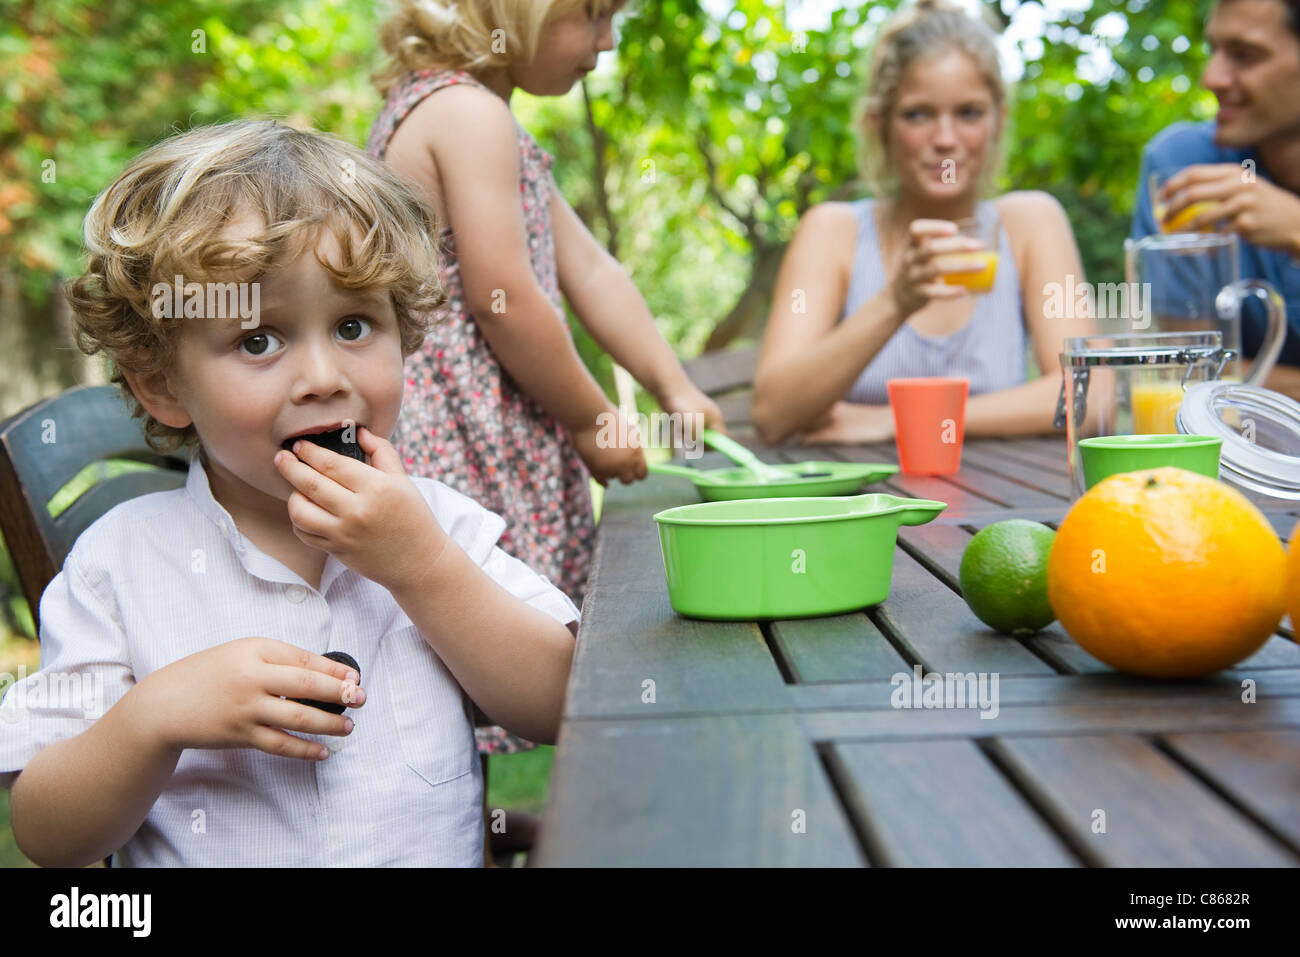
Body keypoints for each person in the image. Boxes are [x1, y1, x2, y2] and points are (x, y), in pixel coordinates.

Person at [0, 120, 580, 867]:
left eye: (353, 324)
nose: (323, 377)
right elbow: (47, 835)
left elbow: (561, 702)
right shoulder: (120, 565)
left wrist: (422, 567)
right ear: (162, 384)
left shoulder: (435, 527)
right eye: (258, 340)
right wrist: (152, 717)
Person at [365, 0, 723, 858]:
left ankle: (474, 832)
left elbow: (589, 268)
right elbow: (506, 296)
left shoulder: (474, 114)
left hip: (483, 425)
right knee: (457, 646)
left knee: (458, 652)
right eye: (591, 16)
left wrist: (671, 381)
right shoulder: (466, 112)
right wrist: (593, 416)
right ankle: (459, 836)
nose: (604, 46)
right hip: (458, 433)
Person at [751, 0, 1093, 447]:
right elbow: (773, 414)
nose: (945, 140)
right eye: (917, 115)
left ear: (998, 120)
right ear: (880, 126)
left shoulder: (1031, 224)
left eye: (968, 113)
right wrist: (896, 300)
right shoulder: (834, 232)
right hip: (866, 501)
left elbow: (1089, 398)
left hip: (1005, 502)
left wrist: (907, 420)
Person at [1134, 0, 1300, 399]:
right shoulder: (1184, 166)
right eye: (1214, 51)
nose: (1212, 77)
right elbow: (1185, 365)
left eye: (1245, 56)